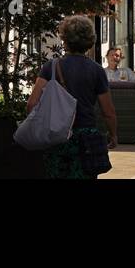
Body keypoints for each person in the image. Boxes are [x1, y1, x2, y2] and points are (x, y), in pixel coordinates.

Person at [27, 15, 117, 179]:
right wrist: (113, 135)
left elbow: (32, 103)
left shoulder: (51, 67)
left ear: (64, 39)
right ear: (90, 40)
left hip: (56, 136)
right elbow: (108, 111)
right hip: (86, 137)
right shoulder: (96, 70)